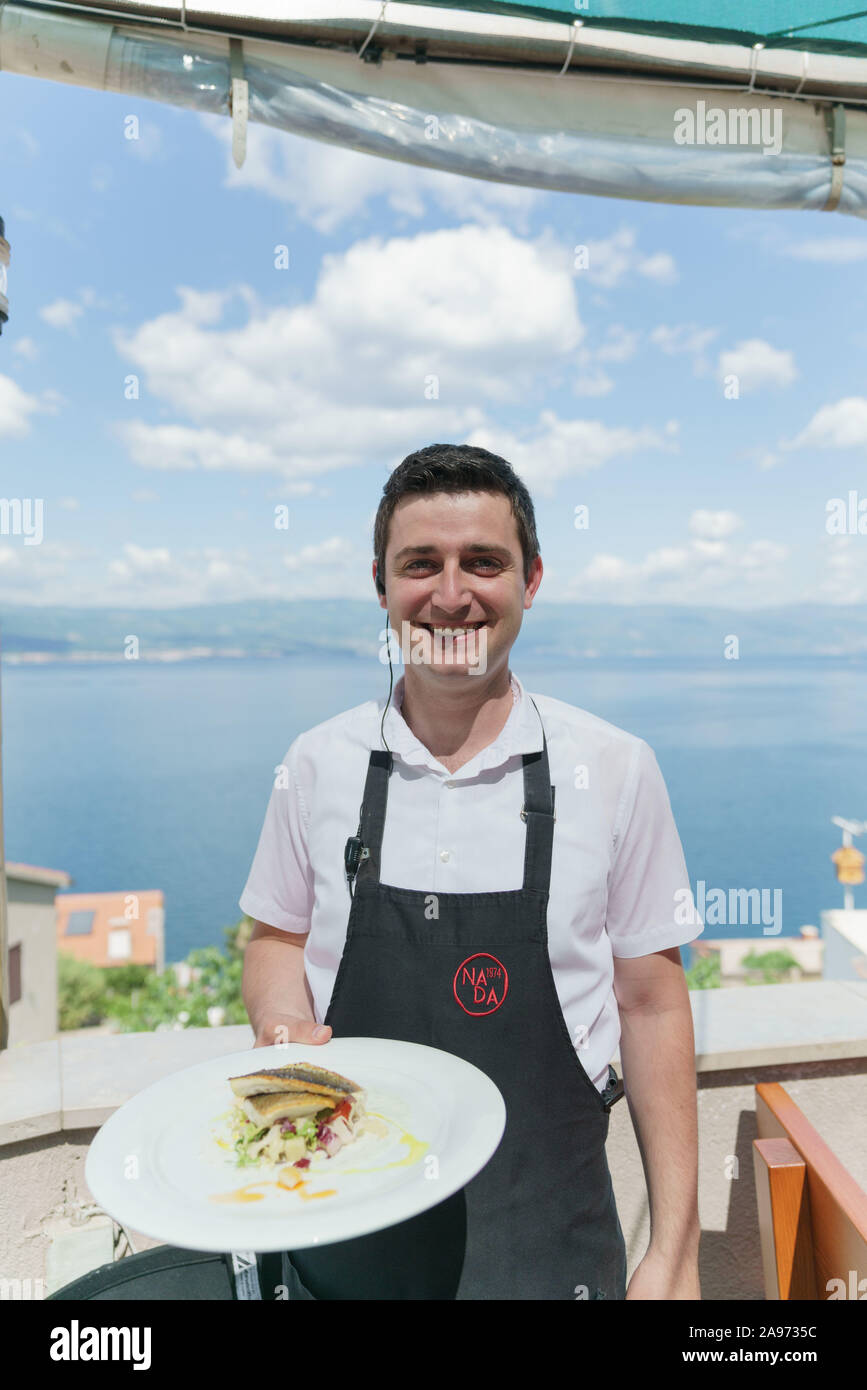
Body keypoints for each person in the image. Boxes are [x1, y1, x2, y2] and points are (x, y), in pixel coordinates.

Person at [239, 442, 704, 1300]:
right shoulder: (313, 764)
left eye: (481, 563)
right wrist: (280, 1030)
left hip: (553, 1246)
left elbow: (651, 1003)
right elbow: (276, 936)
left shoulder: (616, 766)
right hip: (341, 1235)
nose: (450, 595)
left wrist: (674, 1254)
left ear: (529, 579)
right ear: (380, 586)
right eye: (420, 565)